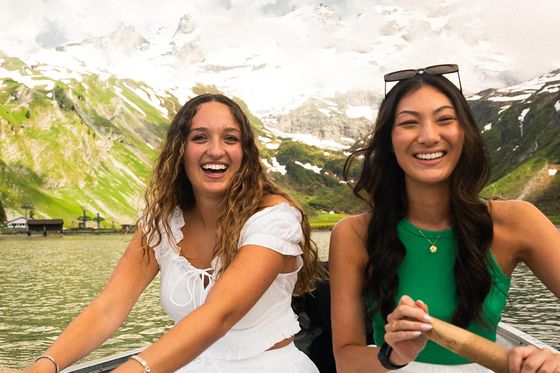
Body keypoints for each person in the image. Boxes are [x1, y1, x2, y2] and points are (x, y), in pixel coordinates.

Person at [15, 93, 322, 373]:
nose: (216, 150)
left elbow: (221, 313)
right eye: (200, 137)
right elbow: (109, 307)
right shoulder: (161, 223)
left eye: (230, 138)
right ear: (180, 149)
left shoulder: (274, 218)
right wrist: (44, 366)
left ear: (244, 152)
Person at [329, 64, 560, 372]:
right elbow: (345, 359)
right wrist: (395, 355)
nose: (428, 136)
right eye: (409, 123)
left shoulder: (518, 220)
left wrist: (553, 359)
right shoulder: (353, 234)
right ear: (390, 140)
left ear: (463, 132)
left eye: (445, 120)